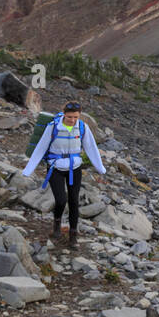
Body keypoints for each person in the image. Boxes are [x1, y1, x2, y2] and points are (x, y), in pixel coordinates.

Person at [21, 101, 106, 247]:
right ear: (64, 114)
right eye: (69, 117)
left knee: (74, 202)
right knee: (60, 200)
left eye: (75, 117)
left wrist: (100, 168)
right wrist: (29, 169)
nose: (72, 120)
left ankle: (73, 236)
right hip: (55, 168)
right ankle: (56, 225)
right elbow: (41, 148)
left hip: (75, 168)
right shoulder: (53, 127)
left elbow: (91, 147)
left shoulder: (82, 127)